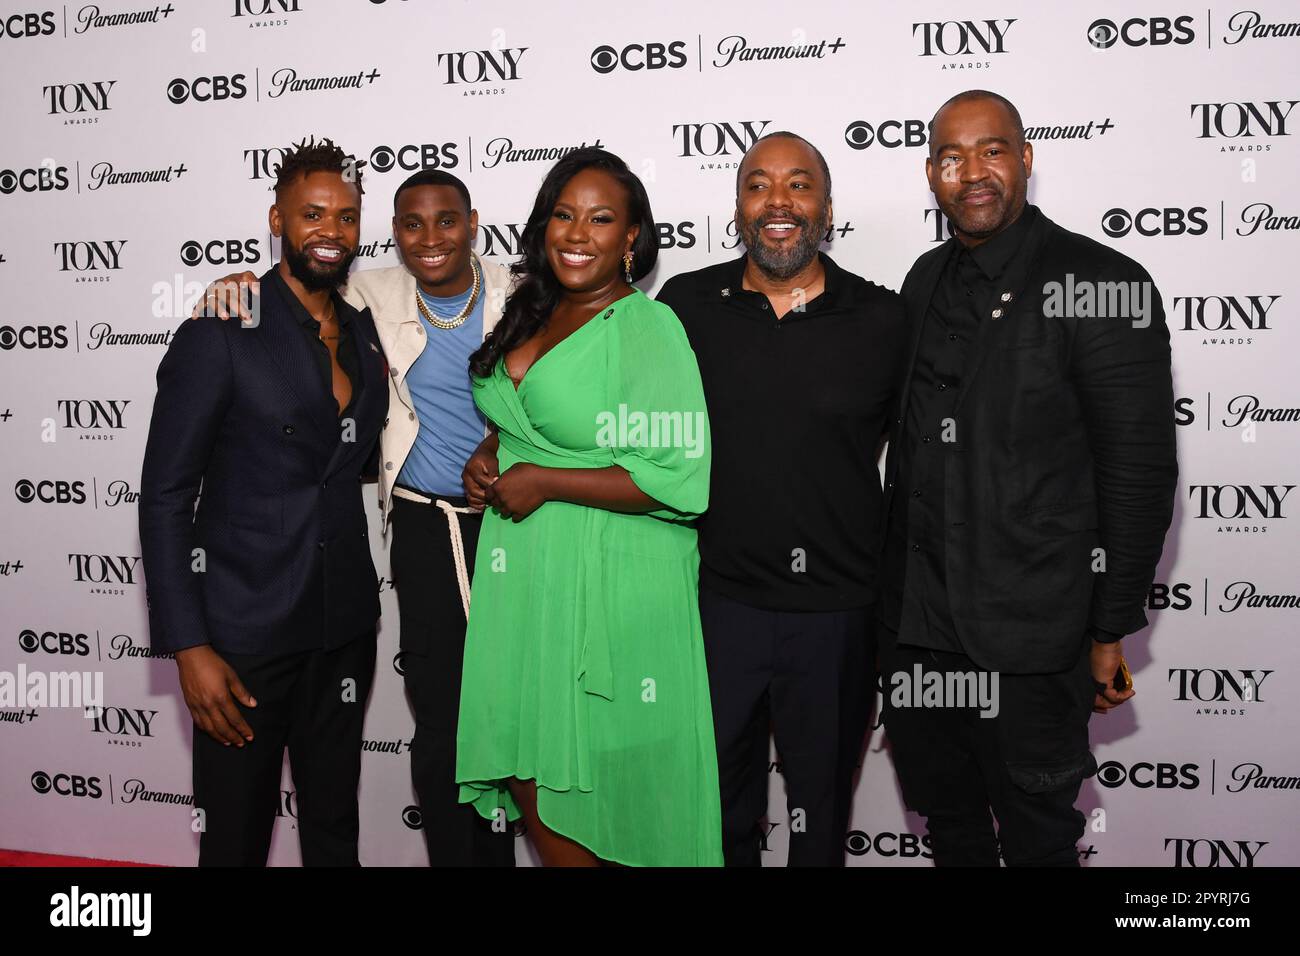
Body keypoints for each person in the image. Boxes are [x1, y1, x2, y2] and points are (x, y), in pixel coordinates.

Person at [877, 90, 1178, 866]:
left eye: (992, 150)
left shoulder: (1101, 281)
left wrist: (1109, 628)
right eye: (950, 157)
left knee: (1041, 837)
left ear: (1026, 159)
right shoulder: (924, 277)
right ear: (930, 175)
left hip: (1032, 643)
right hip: (918, 639)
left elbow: (1139, 472)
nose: (971, 173)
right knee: (951, 828)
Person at [196, 170, 516, 867]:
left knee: (521, 714)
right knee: (443, 725)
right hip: (427, 530)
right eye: (410, 224)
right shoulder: (368, 293)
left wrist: (507, 443)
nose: (430, 239)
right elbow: (291, 290)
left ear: (474, 221)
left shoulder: (524, 293)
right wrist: (233, 283)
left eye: (447, 220)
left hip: (523, 529)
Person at [456, 146, 722, 866]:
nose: (578, 233)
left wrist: (543, 480)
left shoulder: (647, 329)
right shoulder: (531, 310)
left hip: (612, 586)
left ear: (632, 237)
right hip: (526, 585)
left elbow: (679, 477)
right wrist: (492, 453)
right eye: (564, 215)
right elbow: (525, 419)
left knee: (596, 788)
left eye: (602, 219)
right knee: (528, 767)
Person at [656, 132, 906, 866]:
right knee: (712, 816)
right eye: (759, 184)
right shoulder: (685, 305)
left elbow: (927, 466)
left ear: (826, 210)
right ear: (738, 206)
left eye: (799, 185)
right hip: (712, 608)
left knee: (817, 821)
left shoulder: (883, 319)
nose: (778, 202)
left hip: (835, 617)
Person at [140, 137, 388, 866]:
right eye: (312, 214)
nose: (330, 232)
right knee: (236, 839)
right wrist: (189, 645)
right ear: (276, 217)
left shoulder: (365, 332)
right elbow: (165, 496)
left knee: (334, 829)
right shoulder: (223, 325)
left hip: (342, 625)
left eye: (346, 217)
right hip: (242, 635)